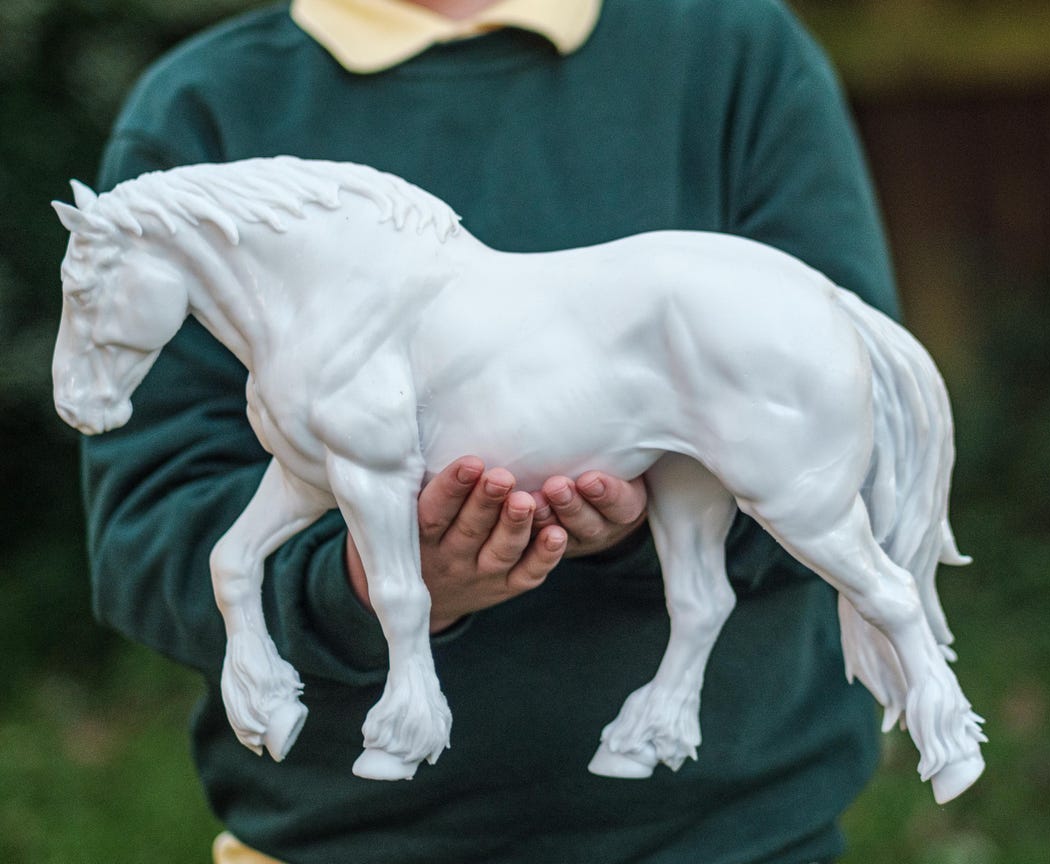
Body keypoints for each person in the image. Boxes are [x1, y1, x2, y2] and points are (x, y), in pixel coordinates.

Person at [83, 0, 901, 862]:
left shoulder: (733, 53)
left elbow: (845, 432)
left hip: (737, 841)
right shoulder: (204, 108)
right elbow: (149, 526)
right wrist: (359, 583)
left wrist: (650, 519)